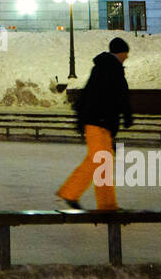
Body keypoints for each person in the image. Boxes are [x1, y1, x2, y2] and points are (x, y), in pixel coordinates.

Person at [56, 36, 134, 211]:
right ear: (120, 52)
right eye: (126, 52)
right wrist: (127, 114)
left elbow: (90, 94)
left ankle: (106, 203)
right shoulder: (110, 69)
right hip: (98, 122)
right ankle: (70, 193)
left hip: (100, 122)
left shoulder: (105, 68)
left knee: (103, 162)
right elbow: (118, 95)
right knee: (99, 160)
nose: (127, 56)